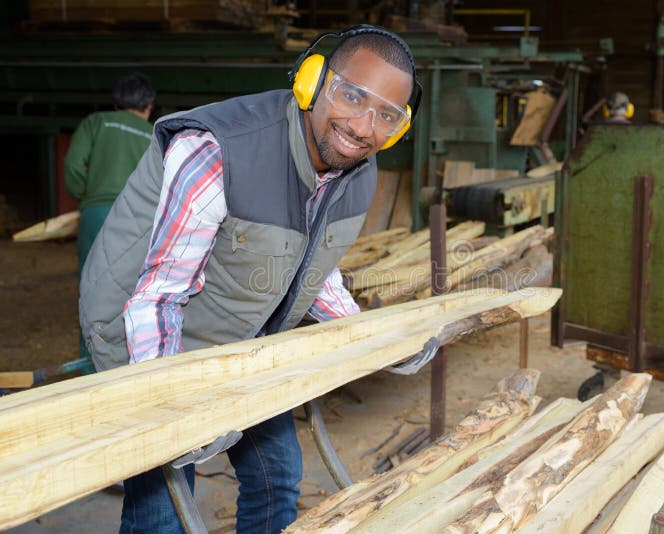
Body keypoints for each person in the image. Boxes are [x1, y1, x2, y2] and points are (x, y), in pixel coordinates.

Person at [79, 26, 419, 533]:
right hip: (138, 328)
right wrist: (172, 417)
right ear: (312, 81)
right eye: (352, 96)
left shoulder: (356, 170)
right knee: (166, 504)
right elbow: (158, 299)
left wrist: (382, 340)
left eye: (386, 116)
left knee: (278, 474)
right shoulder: (217, 149)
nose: (365, 126)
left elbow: (315, 274)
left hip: (235, 332)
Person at [64, 72, 156, 364]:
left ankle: (89, 367)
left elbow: (73, 166)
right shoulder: (155, 135)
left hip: (97, 213)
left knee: (91, 292)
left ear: (116, 102)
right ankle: (134, 365)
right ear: (149, 104)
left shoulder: (97, 122)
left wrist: (88, 197)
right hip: (140, 221)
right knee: (139, 292)